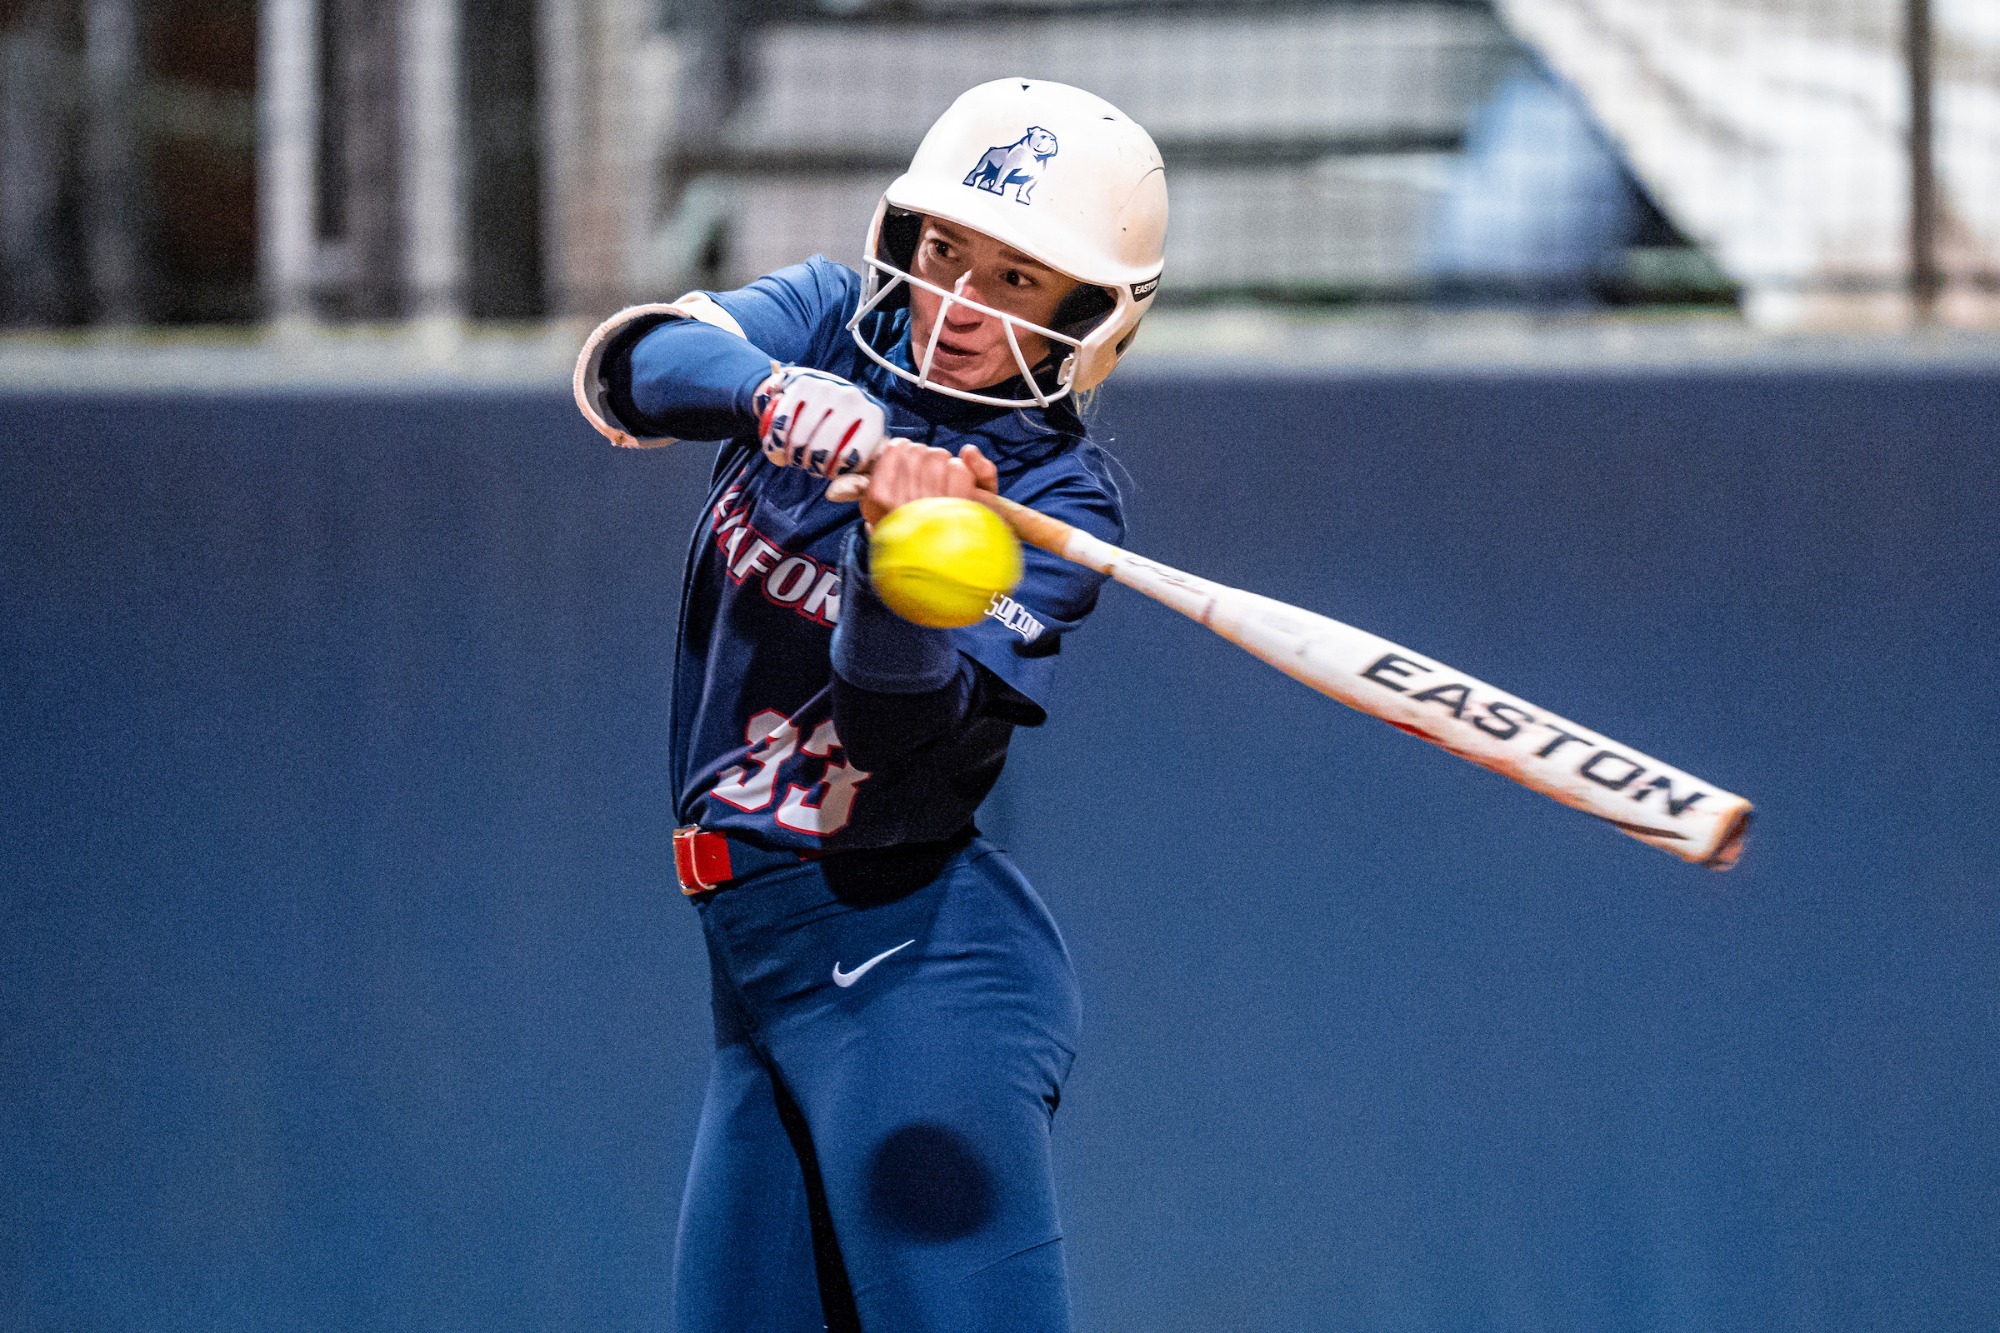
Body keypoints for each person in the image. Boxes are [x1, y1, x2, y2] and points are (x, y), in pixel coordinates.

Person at [573, 77, 1167, 1333]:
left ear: (1085, 314)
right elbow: (631, 369)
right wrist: (772, 396)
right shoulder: (825, 319)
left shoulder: (1057, 498)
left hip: (911, 976)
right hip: (755, 976)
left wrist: (898, 562)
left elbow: (897, 733)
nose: (958, 301)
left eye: (1014, 279)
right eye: (945, 252)